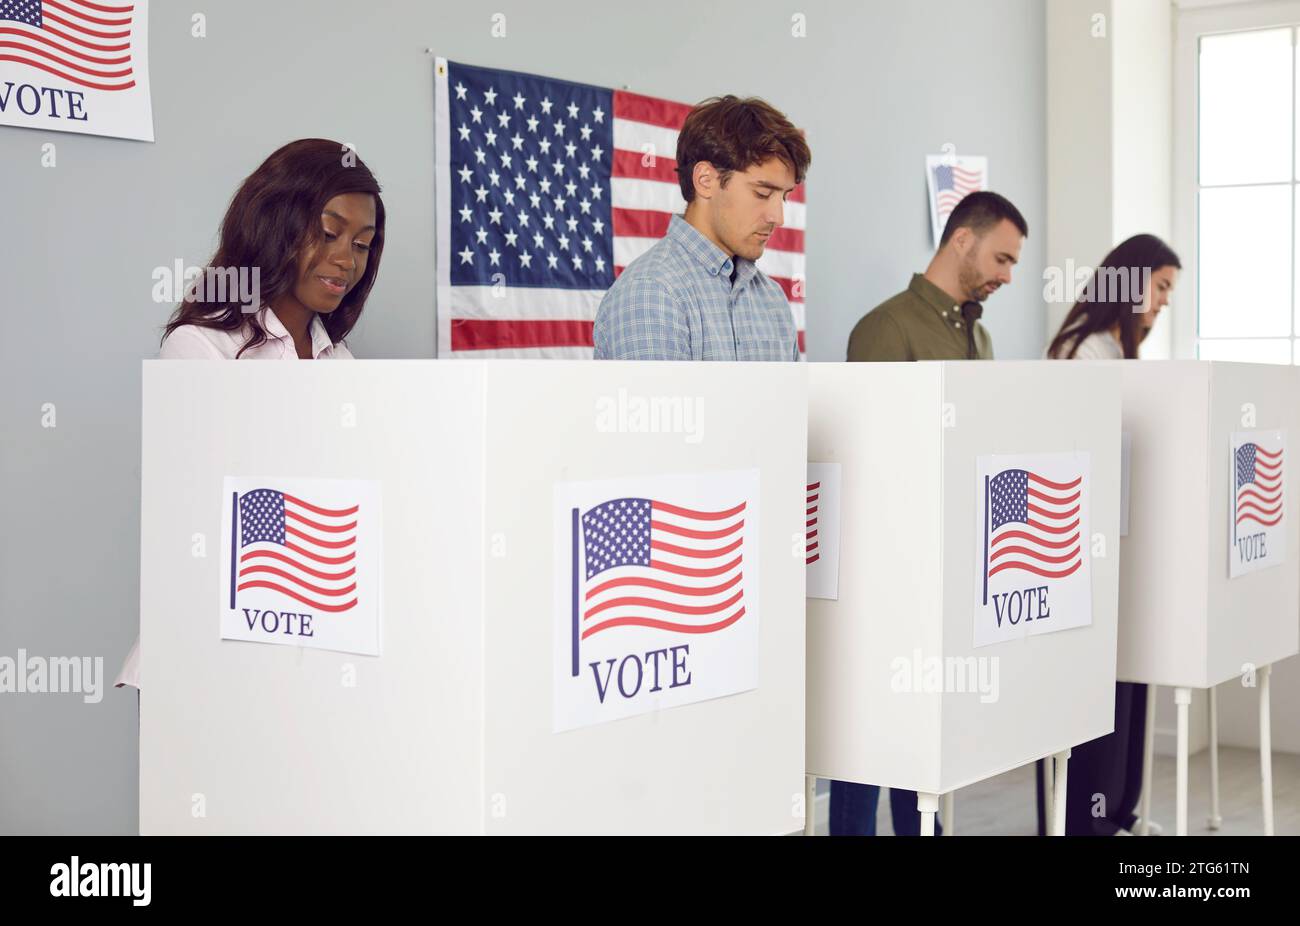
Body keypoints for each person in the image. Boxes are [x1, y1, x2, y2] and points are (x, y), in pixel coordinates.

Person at [114, 138, 386, 690]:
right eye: (329, 233)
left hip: (307, 647)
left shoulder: (343, 361)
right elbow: (207, 526)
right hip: (208, 653)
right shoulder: (199, 348)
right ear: (274, 223)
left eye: (362, 244)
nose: (346, 260)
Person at [836, 191, 1028, 836]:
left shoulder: (979, 334)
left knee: (925, 738)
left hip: (952, 570)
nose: (1007, 275)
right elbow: (866, 462)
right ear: (962, 241)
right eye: (1002, 257)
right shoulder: (885, 329)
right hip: (887, 576)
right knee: (866, 742)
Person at [1038, 233, 1180, 836]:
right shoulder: (1083, 351)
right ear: (1131, 281)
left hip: (1121, 553)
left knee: (1127, 700)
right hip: (1083, 558)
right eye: (1162, 287)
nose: (1165, 302)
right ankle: (1086, 825)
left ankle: (1118, 816)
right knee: (1093, 709)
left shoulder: (1120, 352)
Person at [593, 95, 810, 361]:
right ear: (705, 180)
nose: (778, 217)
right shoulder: (652, 293)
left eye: (784, 196)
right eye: (763, 193)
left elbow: (790, 403)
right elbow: (663, 405)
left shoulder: (772, 299)